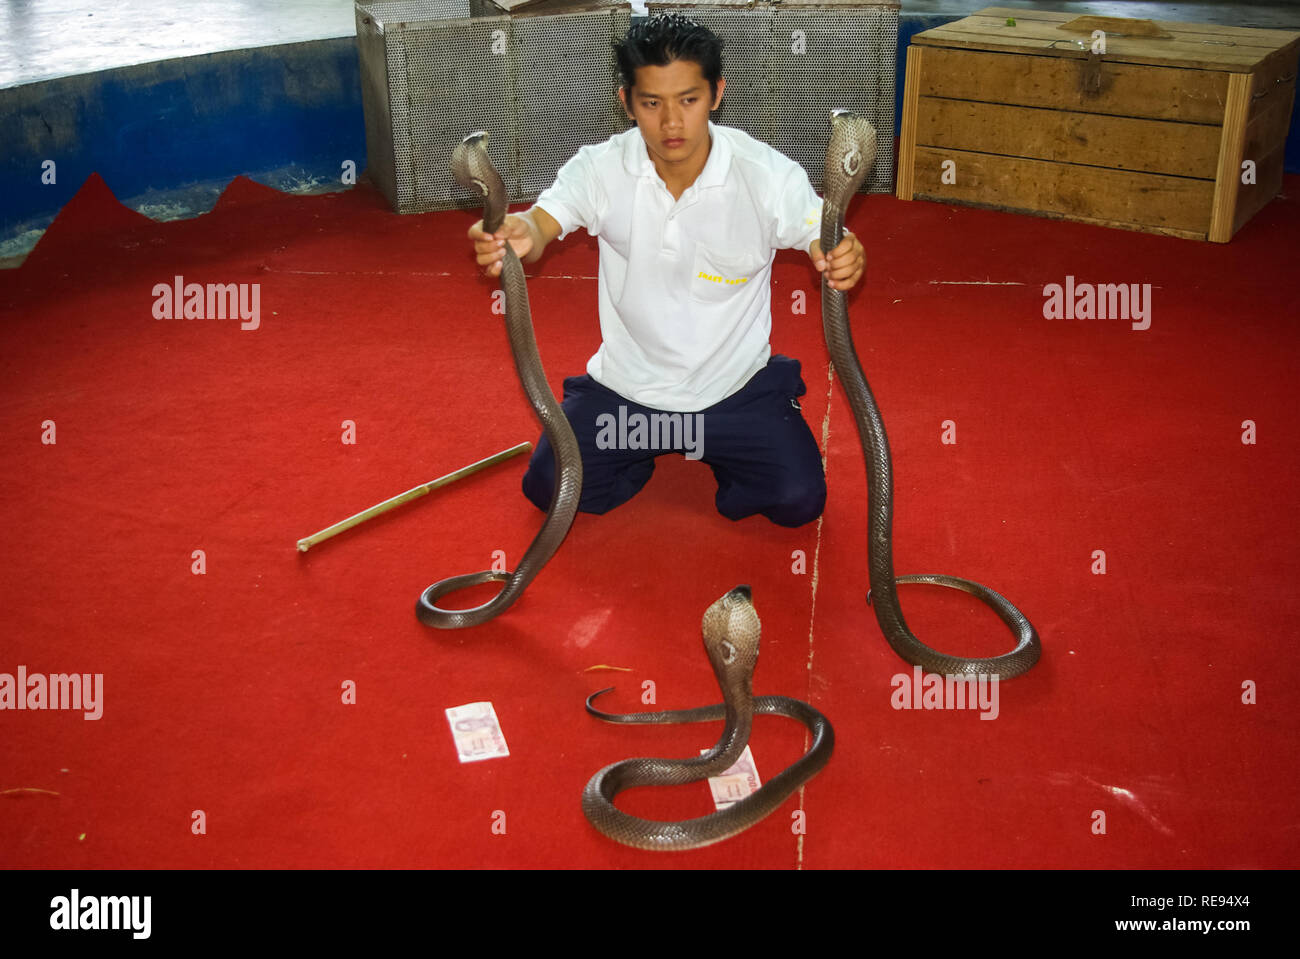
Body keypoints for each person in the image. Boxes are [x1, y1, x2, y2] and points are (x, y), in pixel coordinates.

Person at [467, 13, 865, 527]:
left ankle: (745, 417)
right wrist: (521, 232)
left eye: (688, 100)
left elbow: (823, 232)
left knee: (797, 501)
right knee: (550, 487)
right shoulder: (599, 167)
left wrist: (846, 250)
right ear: (626, 102)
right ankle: (647, 451)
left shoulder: (764, 174)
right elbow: (542, 223)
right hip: (630, 396)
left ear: (717, 94)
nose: (671, 123)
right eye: (652, 103)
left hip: (731, 392)